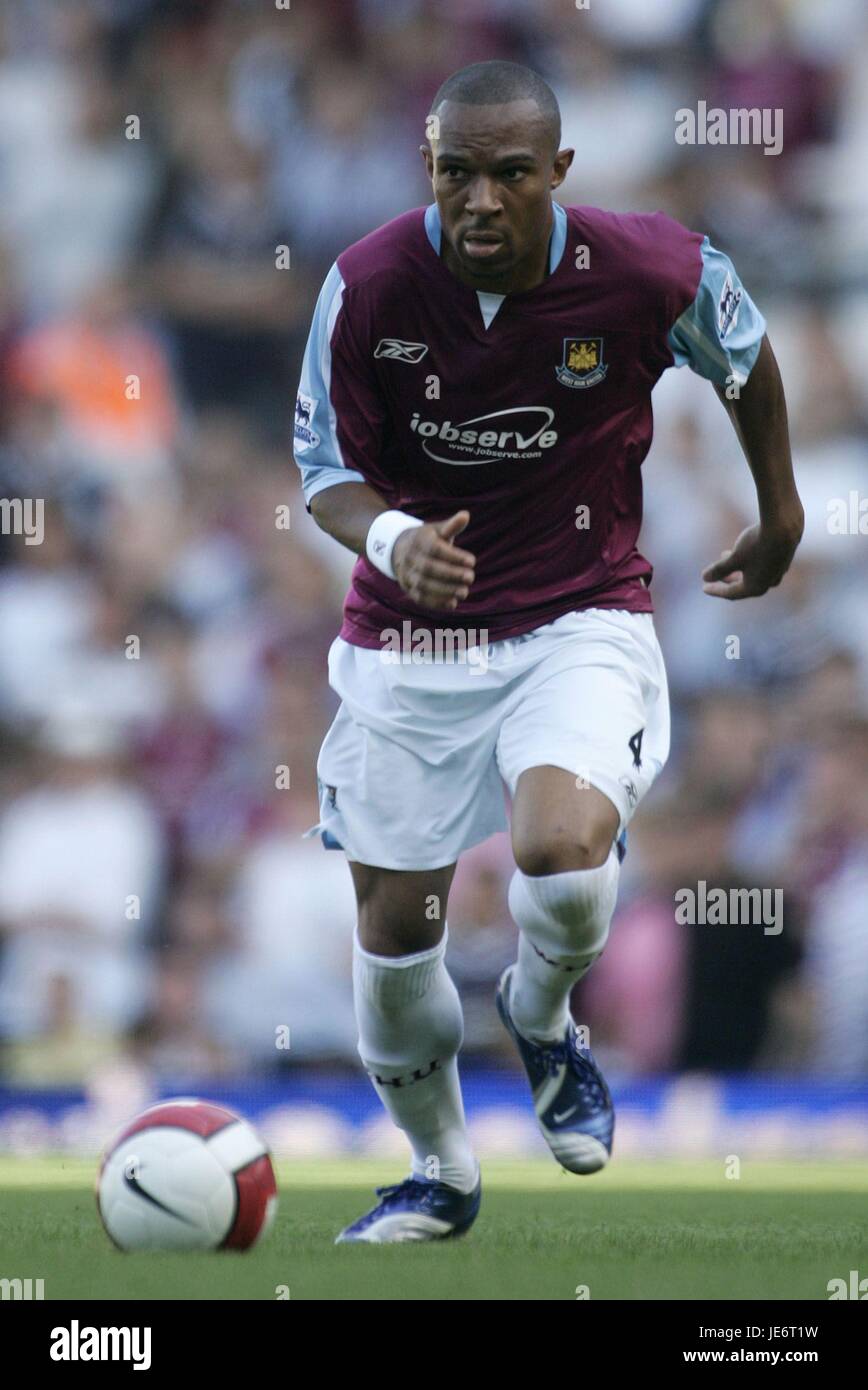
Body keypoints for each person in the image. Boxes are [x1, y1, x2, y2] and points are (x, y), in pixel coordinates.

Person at [292, 60, 804, 1243]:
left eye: (508, 174)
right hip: (407, 642)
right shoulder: (365, 285)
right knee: (396, 938)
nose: (478, 199)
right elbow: (323, 476)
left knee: (563, 850)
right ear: (430, 170)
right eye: (455, 173)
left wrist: (779, 512)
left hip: (578, 615)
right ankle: (440, 1170)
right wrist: (391, 535)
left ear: (556, 174)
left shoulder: (649, 267)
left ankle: (539, 1008)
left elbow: (745, 352)